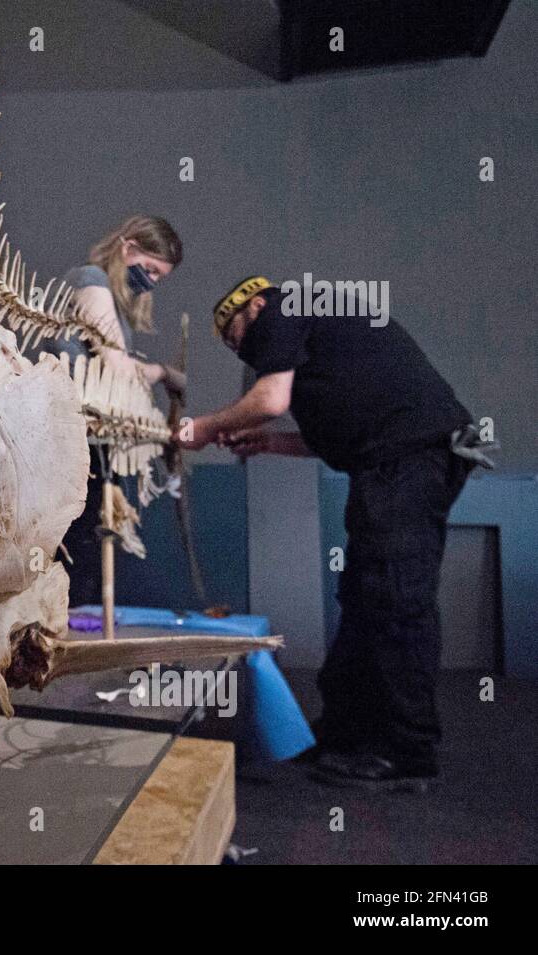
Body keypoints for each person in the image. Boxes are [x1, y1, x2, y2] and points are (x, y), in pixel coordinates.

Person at [181, 275, 492, 790]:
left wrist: (201, 427)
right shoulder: (323, 340)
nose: (236, 347)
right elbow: (334, 434)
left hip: (408, 461)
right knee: (364, 598)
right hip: (393, 462)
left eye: (233, 332)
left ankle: (405, 754)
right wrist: (269, 445)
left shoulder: (282, 308)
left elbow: (270, 399)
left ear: (254, 304)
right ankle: (346, 734)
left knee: (395, 600)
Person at [34, 215, 185, 605]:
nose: (151, 280)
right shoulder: (91, 280)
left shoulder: (115, 303)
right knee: (72, 544)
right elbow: (117, 367)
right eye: (149, 268)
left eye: (159, 276)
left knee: (91, 545)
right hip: (70, 438)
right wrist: (162, 372)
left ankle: (73, 630)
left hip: (95, 441)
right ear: (128, 247)